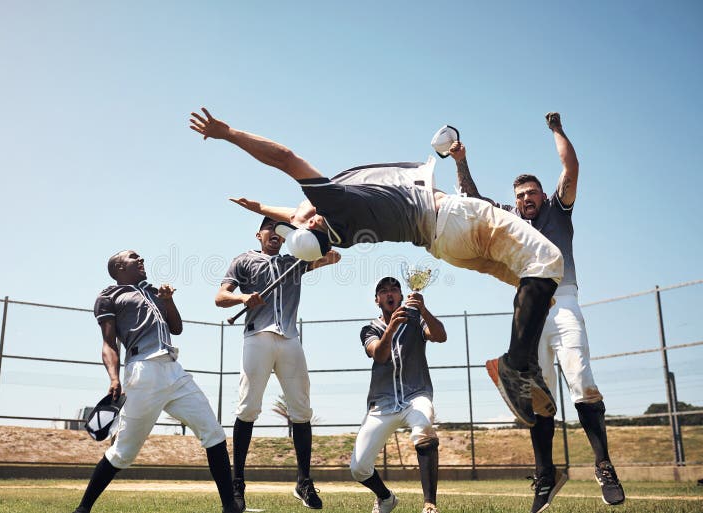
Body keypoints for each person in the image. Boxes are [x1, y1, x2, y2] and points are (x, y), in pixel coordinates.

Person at [190, 107, 563, 429]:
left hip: (444, 246)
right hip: (453, 219)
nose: (295, 210)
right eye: (299, 218)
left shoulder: (335, 232)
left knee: (539, 289)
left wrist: (258, 208)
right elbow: (285, 158)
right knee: (549, 261)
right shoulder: (330, 202)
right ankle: (515, 365)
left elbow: (292, 216)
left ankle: (525, 366)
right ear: (315, 222)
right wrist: (229, 134)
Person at [449, 112, 625, 511]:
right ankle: (545, 476)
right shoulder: (511, 222)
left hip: (562, 302)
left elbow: (571, 167)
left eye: (532, 193)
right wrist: (460, 161)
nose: (526, 199)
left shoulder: (558, 212)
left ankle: (603, 466)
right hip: (528, 311)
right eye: (521, 195)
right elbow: (474, 202)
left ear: (543, 196)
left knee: (581, 379)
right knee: (536, 398)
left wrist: (557, 130)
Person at [73, 250, 240, 513]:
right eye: (133, 257)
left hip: (174, 370)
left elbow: (176, 329)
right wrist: (114, 378)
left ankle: (231, 506)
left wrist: (168, 300)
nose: (141, 260)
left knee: (214, 433)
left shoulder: (153, 291)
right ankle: (83, 509)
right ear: (118, 267)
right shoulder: (109, 297)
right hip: (143, 373)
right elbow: (109, 343)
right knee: (122, 454)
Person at [215, 216, 339, 511]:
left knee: (301, 411)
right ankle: (238, 485)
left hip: (290, 338)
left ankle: (304, 482)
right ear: (258, 234)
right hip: (257, 336)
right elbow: (220, 297)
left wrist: (313, 236)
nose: (275, 231)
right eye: (269, 226)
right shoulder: (243, 260)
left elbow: (334, 255)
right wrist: (244, 298)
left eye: (280, 229)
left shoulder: (294, 261)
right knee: (247, 409)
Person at [351, 277, 447, 513]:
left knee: (423, 427)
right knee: (359, 467)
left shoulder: (416, 319)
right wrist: (392, 327)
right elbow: (379, 355)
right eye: (383, 291)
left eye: (394, 289)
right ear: (377, 300)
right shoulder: (370, 328)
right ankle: (386, 498)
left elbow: (440, 336)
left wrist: (423, 308)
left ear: (402, 296)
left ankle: (429, 504)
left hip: (415, 395)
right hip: (382, 404)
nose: (389, 293)